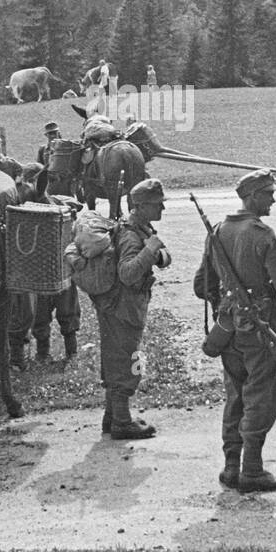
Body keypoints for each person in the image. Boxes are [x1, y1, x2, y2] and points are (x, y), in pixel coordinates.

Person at [194, 169, 276, 494]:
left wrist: (227, 300)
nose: (273, 199)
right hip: (259, 328)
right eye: (268, 193)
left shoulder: (218, 231)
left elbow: (200, 285)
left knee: (235, 394)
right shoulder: (261, 234)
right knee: (261, 397)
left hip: (228, 329)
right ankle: (251, 470)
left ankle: (230, 468)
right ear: (252, 197)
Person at [95, 177, 171, 441]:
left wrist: (157, 253)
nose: (162, 209)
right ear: (140, 206)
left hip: (122, 307)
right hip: (123, 309)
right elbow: (127, 273)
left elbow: (160, 255)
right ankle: (122, 422)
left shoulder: (140, 228)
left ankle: (113, 416)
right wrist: (150, 252)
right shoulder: (130, 235)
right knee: (127, 361)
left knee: (119, 358)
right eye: (157, 204)